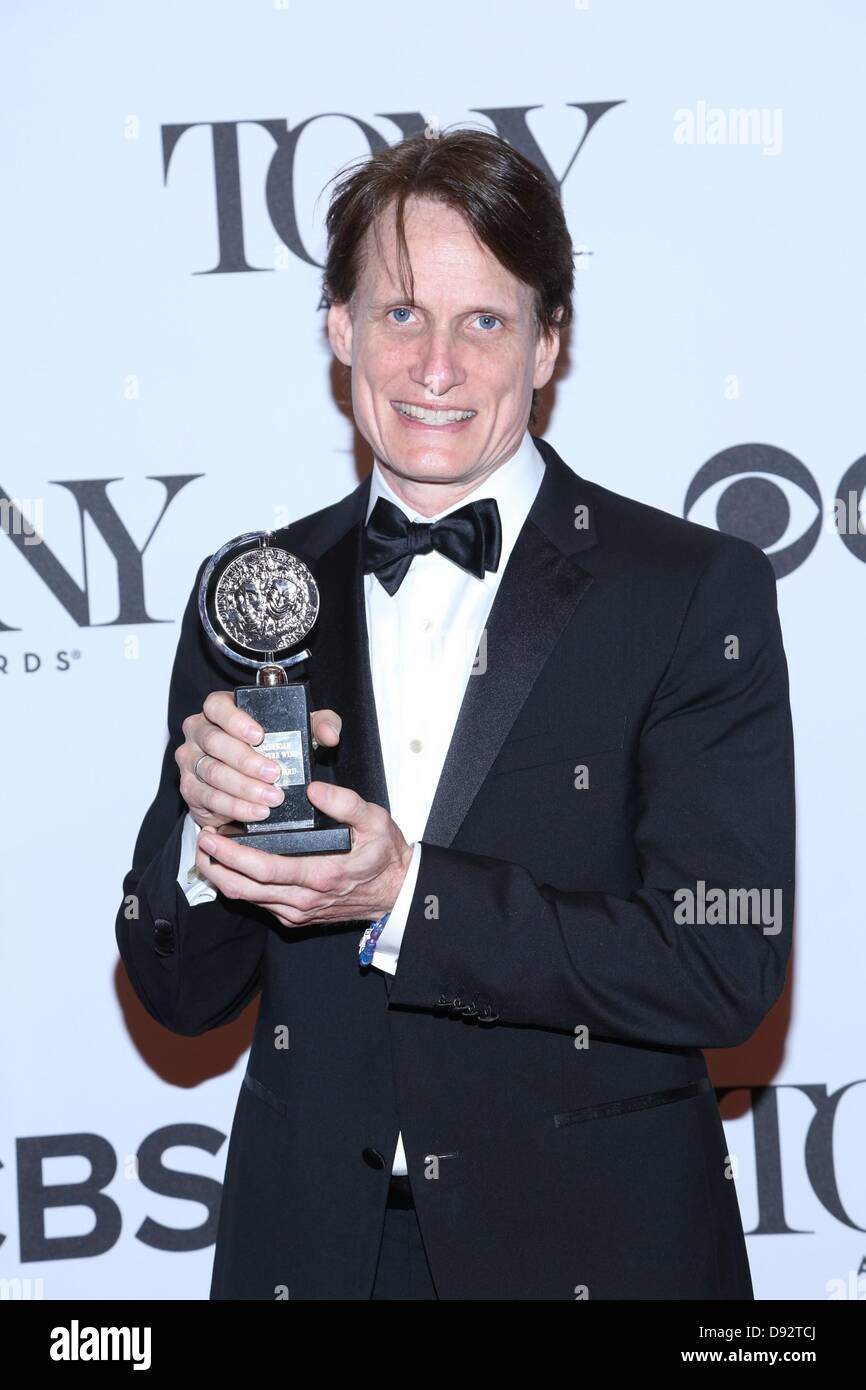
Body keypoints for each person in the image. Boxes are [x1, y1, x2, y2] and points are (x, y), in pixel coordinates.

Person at [116, 127, 795, 1300]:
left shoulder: (687, 590)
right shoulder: (260, 592)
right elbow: (181, 992)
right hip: (317, 1253)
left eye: (483, 320)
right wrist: (198, 833)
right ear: (337, 328)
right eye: (399, 315)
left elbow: (720, 965)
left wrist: (406, 899)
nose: (434, 365)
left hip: (600, 1249)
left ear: (547, 346)